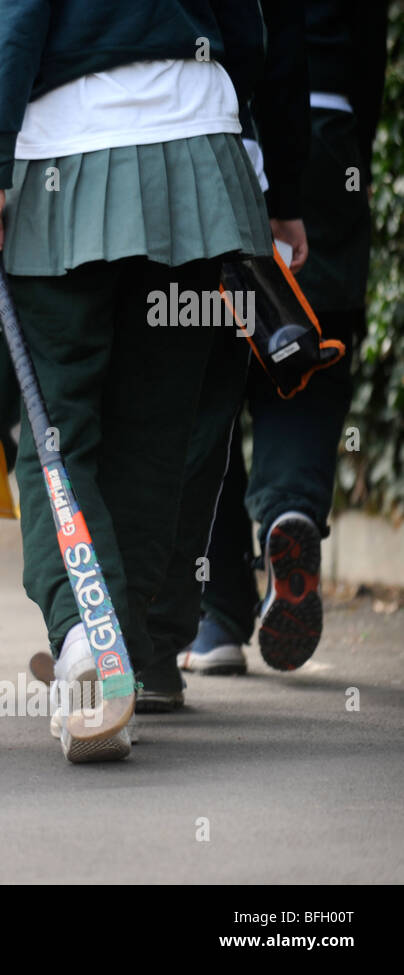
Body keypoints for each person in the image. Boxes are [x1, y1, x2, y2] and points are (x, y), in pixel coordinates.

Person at [0, 0, 271, 761]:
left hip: (70, 152)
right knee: (155, 433)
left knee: (56, 425)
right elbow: (256, 26)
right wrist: (273, 173)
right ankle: (117, 647)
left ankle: (87, 646)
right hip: (199, 151)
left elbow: (9, 16)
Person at [180, 0, 389, 676]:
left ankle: (216, 618)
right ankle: (289, 514)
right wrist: (347, 136)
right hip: (326, 126)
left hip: (214, 130)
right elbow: (367, 50)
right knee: (309, 348)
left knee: (207, 365)